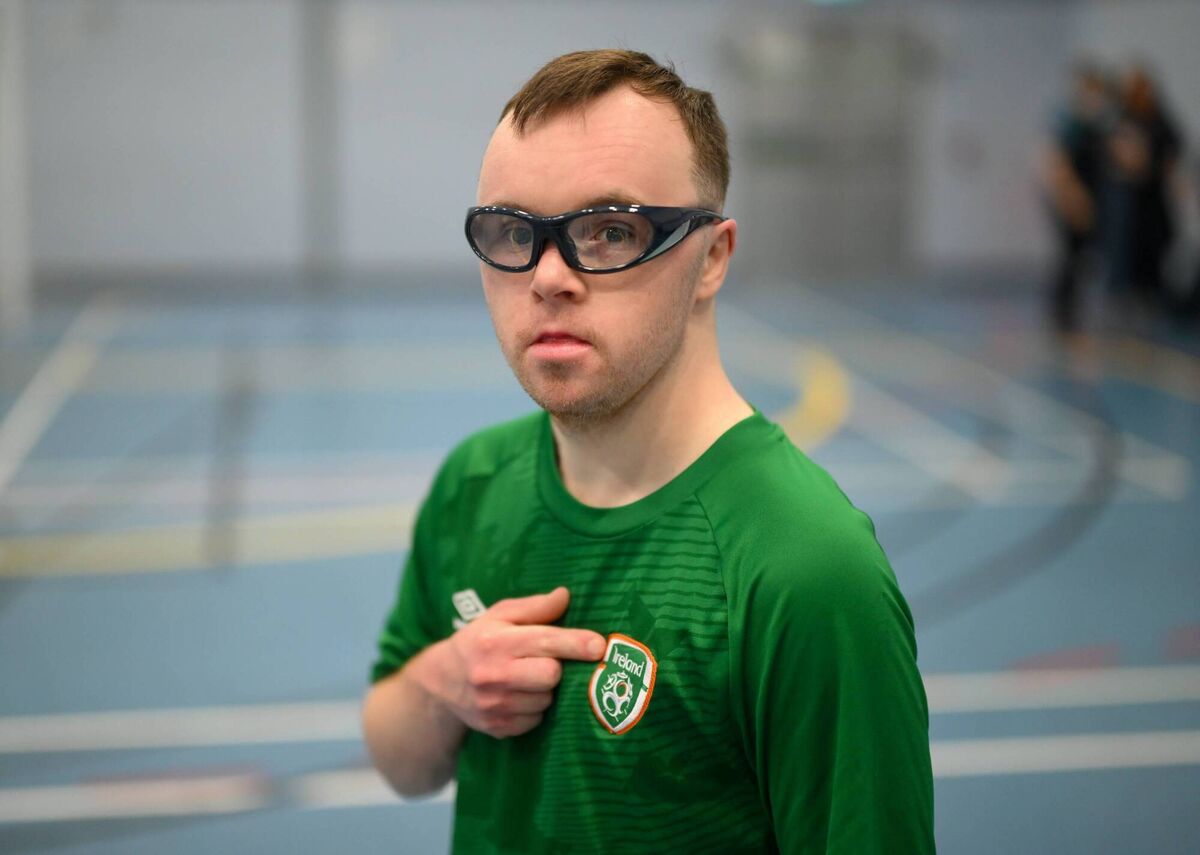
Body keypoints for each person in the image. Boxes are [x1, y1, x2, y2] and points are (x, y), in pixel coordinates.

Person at [363, 49, 934, 854]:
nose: (548, 276)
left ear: (711, 259)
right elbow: (400, 759)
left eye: (608, 231)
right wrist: (442, 683)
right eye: (513, 231)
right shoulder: (473, 483)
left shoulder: (805, 570)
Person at [1040, 61, 1112, 331]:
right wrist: (1073, 197)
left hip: (1090, 196)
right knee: (1070, 254)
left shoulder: (1097, 123)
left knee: (1081, 255)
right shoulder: (1069, 121)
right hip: (1071, 198)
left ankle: (1072, 308)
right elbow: (1057, 162)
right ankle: (1062, 311)